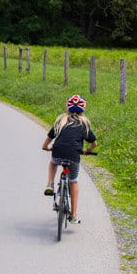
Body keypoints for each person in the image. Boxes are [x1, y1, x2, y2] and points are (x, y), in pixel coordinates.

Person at [41, 94, 97, 224]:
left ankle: (50, 183)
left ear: (68, 107)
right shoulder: (84, 124)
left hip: (58, 150)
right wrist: (87, 151)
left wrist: (45, 147)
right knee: (73, 181)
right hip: (74, 155)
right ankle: (73, 215)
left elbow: (50, 137)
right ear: (83, 109)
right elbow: (94, 143)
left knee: (53, 163)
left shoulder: (61, 120)